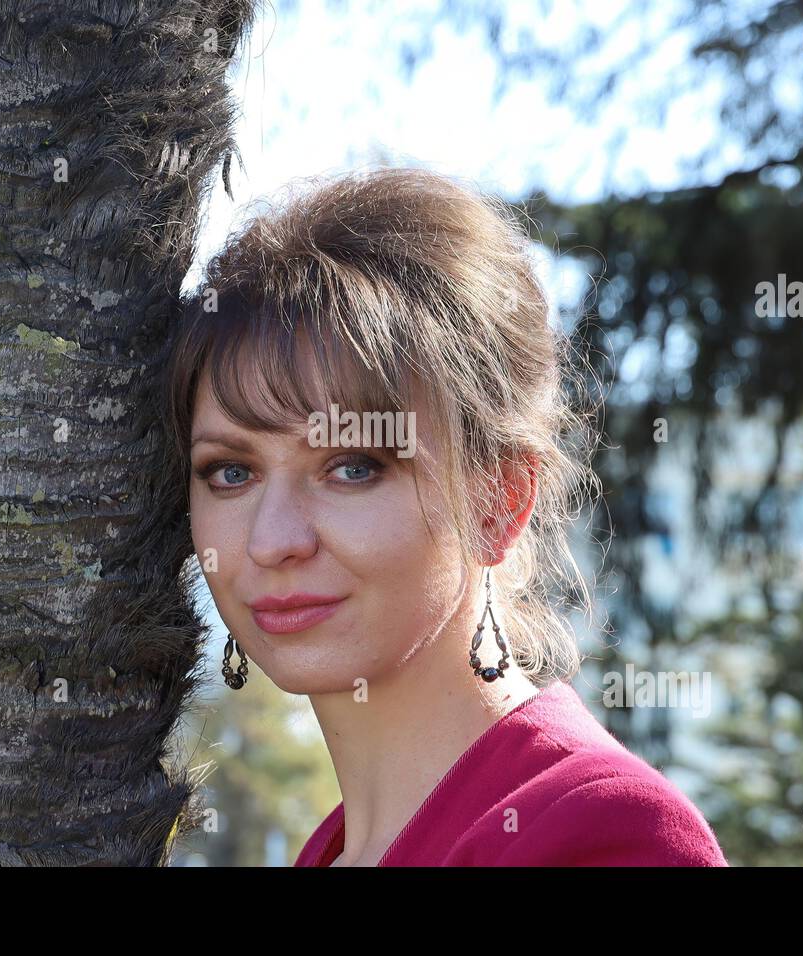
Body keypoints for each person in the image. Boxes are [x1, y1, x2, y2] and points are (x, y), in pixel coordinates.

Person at [164, 165, 727, 867]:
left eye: (352, 467)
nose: (273, 541)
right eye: (232, 472)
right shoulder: (331, 853)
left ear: (500, 502)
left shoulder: (602, 836)